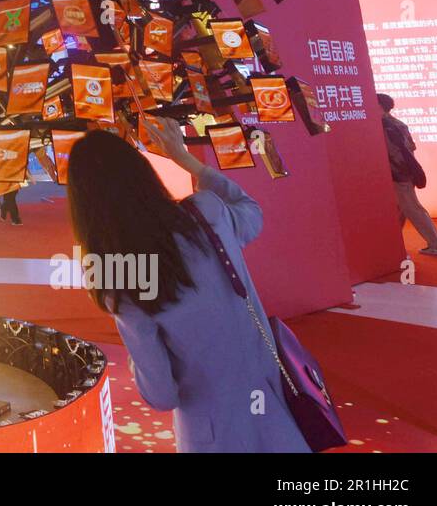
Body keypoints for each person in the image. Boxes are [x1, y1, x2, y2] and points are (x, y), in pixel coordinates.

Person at [67, 120, 308, 452]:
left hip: (211, 433)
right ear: (142, 174)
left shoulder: (121, 280)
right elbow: (252, 213)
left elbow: (161, 395)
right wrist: (186, 160)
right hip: (275, 411)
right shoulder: (205, 213)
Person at [378, 93, 437, 255]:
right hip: (405, 172)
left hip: (398, 173)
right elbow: (411, 147)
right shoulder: (397, 124)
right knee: (400, 209)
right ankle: (393, 245)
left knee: (412, 209)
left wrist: (394, 169)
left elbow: (393, 152)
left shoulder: (385, 126)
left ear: (379, 106)